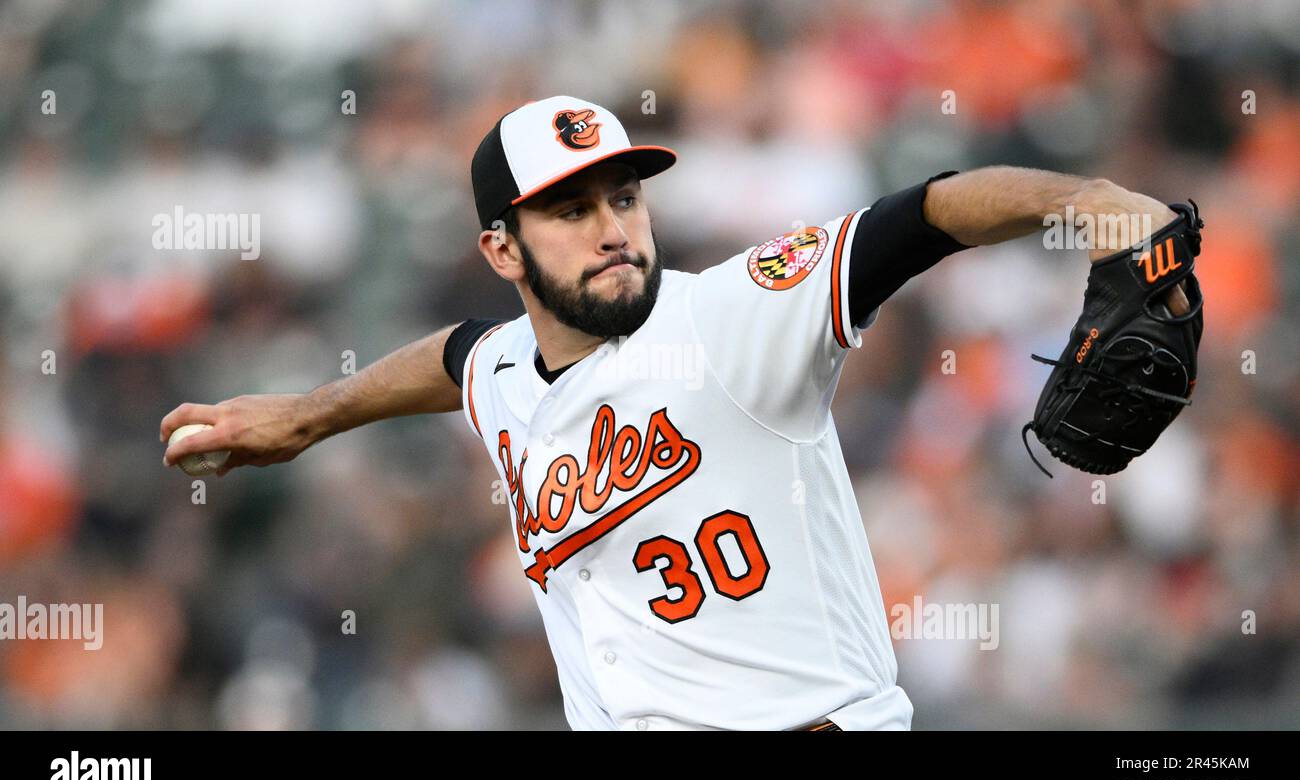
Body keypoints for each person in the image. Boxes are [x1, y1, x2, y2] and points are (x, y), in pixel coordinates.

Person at [161, 95, 1184, 730]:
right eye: (571, 210)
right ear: (501, 250)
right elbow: (454, 357)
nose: (611, 228)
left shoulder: (741, 311)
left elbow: (929, 212)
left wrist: (1099, 202)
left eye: (623, 198)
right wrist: (307, 415)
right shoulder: (506, 368)